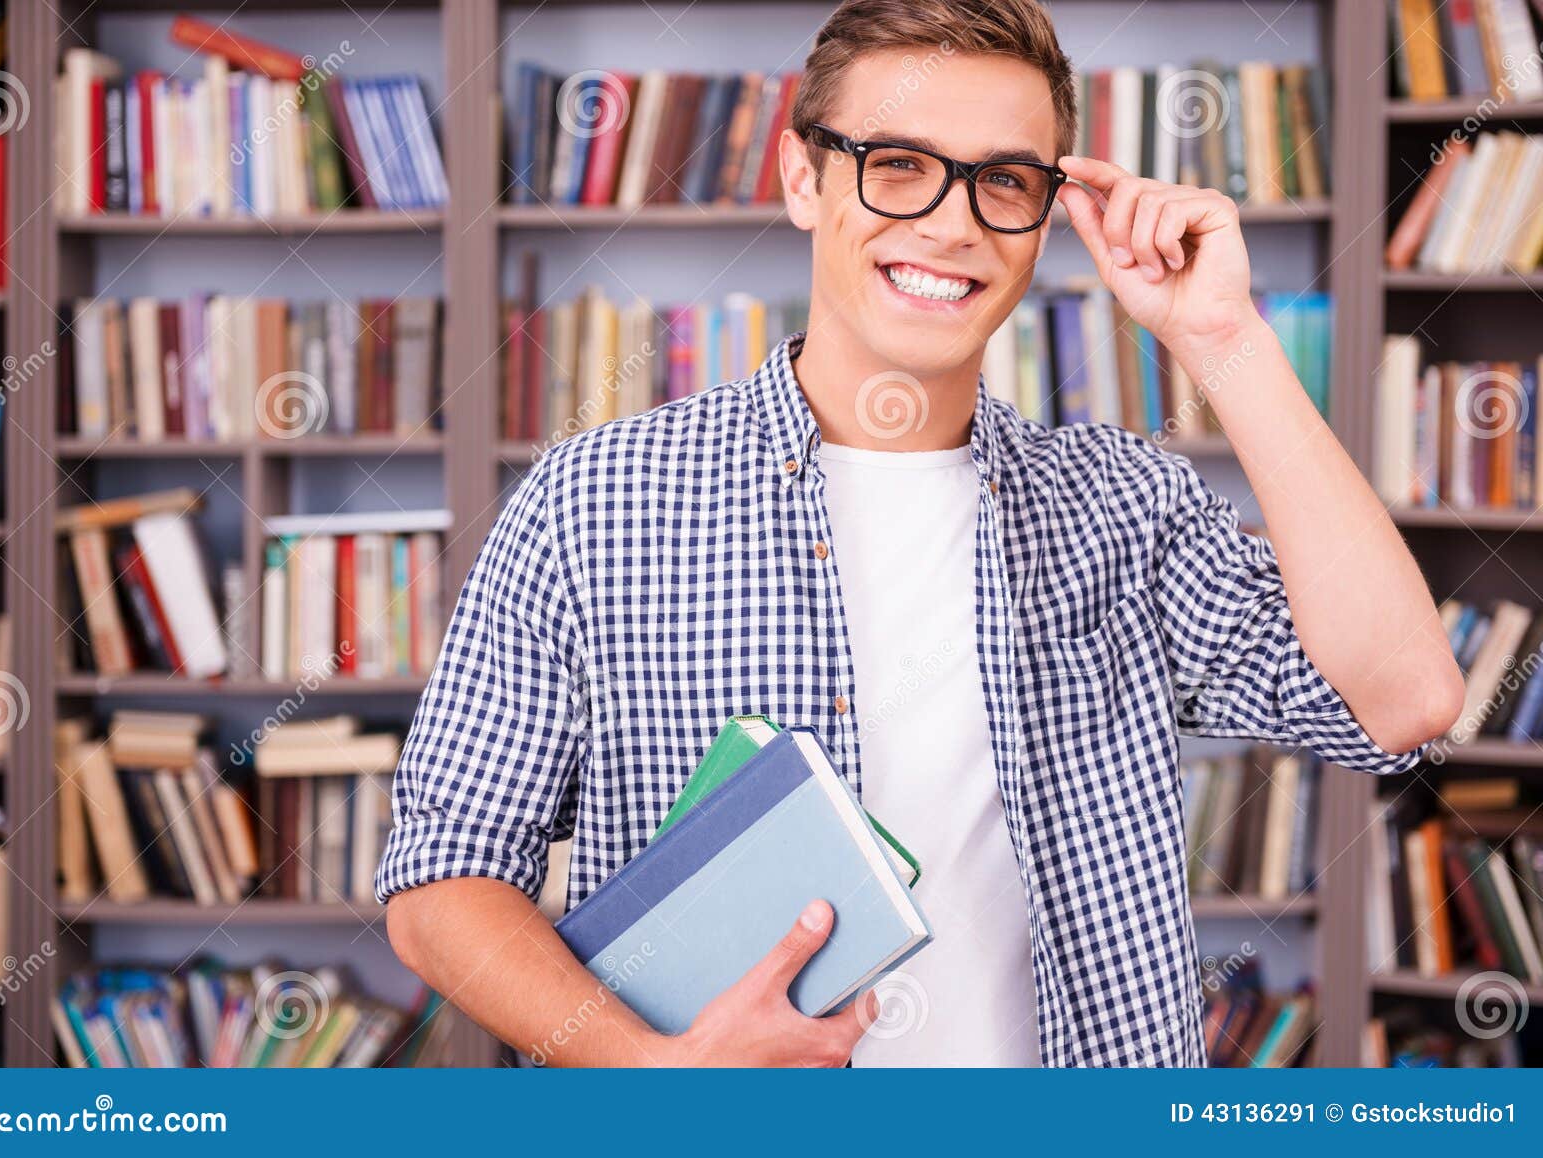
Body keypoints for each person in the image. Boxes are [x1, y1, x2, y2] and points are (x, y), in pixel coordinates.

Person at [378, 0, 1463, 1066]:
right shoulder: (594, 503)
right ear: (804, 178)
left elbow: (1402, 699)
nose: (951, 224)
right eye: (898, 162)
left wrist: (1222, 337)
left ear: (1047, 213)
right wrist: (643, 1069)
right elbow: (443, 880)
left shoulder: (1125, 505)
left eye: (1003, 181)